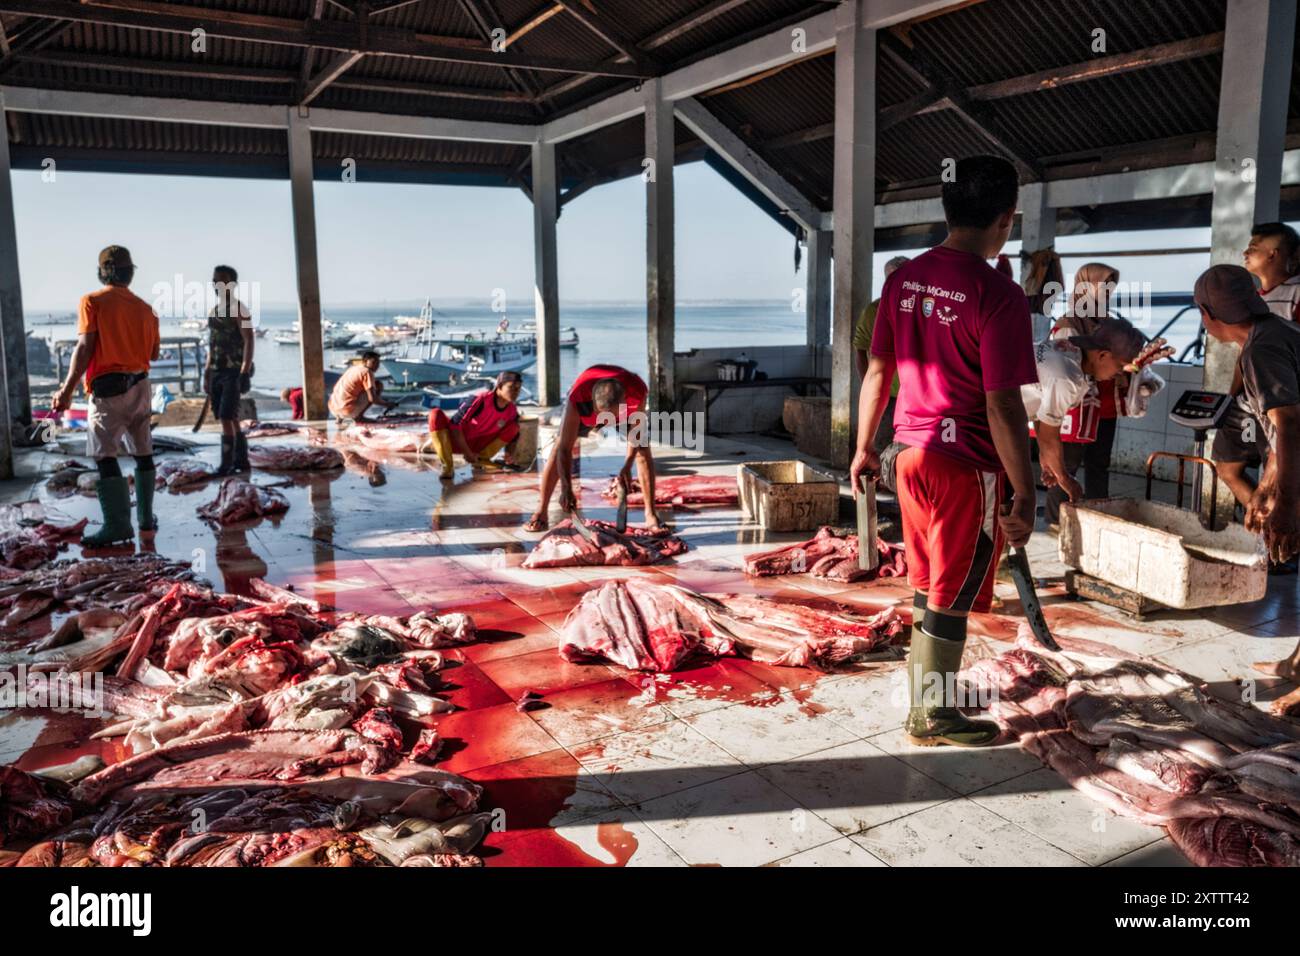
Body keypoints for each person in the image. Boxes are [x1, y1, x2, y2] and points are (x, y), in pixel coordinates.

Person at [850, 155, 1038, 748]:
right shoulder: (999, 294)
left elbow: (878, 373)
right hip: (964, 464)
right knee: (951, 592)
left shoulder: (903, 281)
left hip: (907, 456)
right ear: (1006, 218)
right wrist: (1026, 489)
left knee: (928, 582)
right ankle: (933, 715)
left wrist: (863, 448)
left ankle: (923, 701)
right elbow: (1004, 405)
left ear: (947, 208)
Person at [1193, 264, 1300, 714]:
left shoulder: (1261, 351)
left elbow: (1292, 423)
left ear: (1206, 312)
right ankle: (1297, 664)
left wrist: (1289, 505)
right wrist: (1268, 485)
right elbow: (1281, 428)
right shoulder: (1277, 332)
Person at [51, 245, 161, 546]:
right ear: (129, 273)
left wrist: (67, 389)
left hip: (108, 390)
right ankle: (145, 518)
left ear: (105, 271)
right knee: (143, 453)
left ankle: (117, 525)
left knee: (104, 455)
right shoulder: (147, 310)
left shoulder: (92, 302)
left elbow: (85, 348)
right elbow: (154, 353)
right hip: (141, 386)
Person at [1214, 224, 1300, 540]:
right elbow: (1246, 356)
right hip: (1250, 406)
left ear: (1273, 253)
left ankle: (1282, 537)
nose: (1246, 252)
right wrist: (1231, 396)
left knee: (1279, 474)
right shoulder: (1256, 299)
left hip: (1284, 406)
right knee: (1226, 465)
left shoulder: (1296, 294)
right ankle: (1267, 525)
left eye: (1254, 246)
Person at [523, 364, 664, 534]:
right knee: (557, 448)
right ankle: (541, 511)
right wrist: (566, 488)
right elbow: (565, 450)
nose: (607, 422)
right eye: (603, 416)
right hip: (588, 412)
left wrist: (627, 464)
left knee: (643, 451)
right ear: (594, 405)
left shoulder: (637, 392)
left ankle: (650, 514)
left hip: (625, 412)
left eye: (611, 416)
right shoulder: (579, 398)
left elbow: (636, 435)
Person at [1022, 317, 1147, 507]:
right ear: (1103, 355)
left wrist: (1047, 459)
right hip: (984, 411)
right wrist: (1066, 481)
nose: (1121, 373)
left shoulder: (1069, 350)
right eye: (1121, 366)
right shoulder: (1067, 377)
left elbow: (1042, 412)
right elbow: (1049, 437)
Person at [1044, 262, 1123, 526]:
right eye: (1104, 286)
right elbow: (1065, 364)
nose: (1109, 291)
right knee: (1064, 468)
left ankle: (1099, 519)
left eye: (1112, 286)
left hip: (1105, 408)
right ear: (1085, 287)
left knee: (1099, 465)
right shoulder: (1069, 323)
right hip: (1076, 408)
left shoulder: (1110, 323)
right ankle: (1057, 522)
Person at [852, 256, 909, 451]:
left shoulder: (922, 306)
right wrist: (868, 386)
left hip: (913, 396)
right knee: (883, 448)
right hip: (888, 396)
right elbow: (859, 350)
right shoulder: (874, 311)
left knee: (908, 450)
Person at [203, 265, 254, 475]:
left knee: (226, 416)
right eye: (215, 281)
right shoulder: (214, 311)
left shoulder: (239, 309)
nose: (218, 285)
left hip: (233, 371)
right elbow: (212, 344)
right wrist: (206, 372)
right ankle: (241, 460)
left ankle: (227, 464)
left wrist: (245, 371)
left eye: (223, 281)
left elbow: (249, 340)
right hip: (216, 370)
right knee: (230, 417)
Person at [428, 370, 523, 479]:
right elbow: (455, 424)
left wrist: (509, 455)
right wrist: (467, 453)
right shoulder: (480, 400)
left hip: (479, 447)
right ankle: (448, 466)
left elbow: (514, 436)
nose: (516, 392)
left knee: (515, 427)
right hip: (458, 442)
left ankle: (482, 460)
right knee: (434, 414)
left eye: (518, 388)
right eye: (511, 387)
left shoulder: (512, 411)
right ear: (499, 386)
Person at [328, 350, 395, 422]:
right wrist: (387, 404)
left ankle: (339, 417)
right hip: (347, 411)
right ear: (365, 361)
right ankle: (359, 417)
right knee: (378, 385)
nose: (377, 366)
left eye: (378, 363)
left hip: (333, 409)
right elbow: (372, 399)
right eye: (374, 362)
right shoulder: (367, 371)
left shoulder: (354, 368)